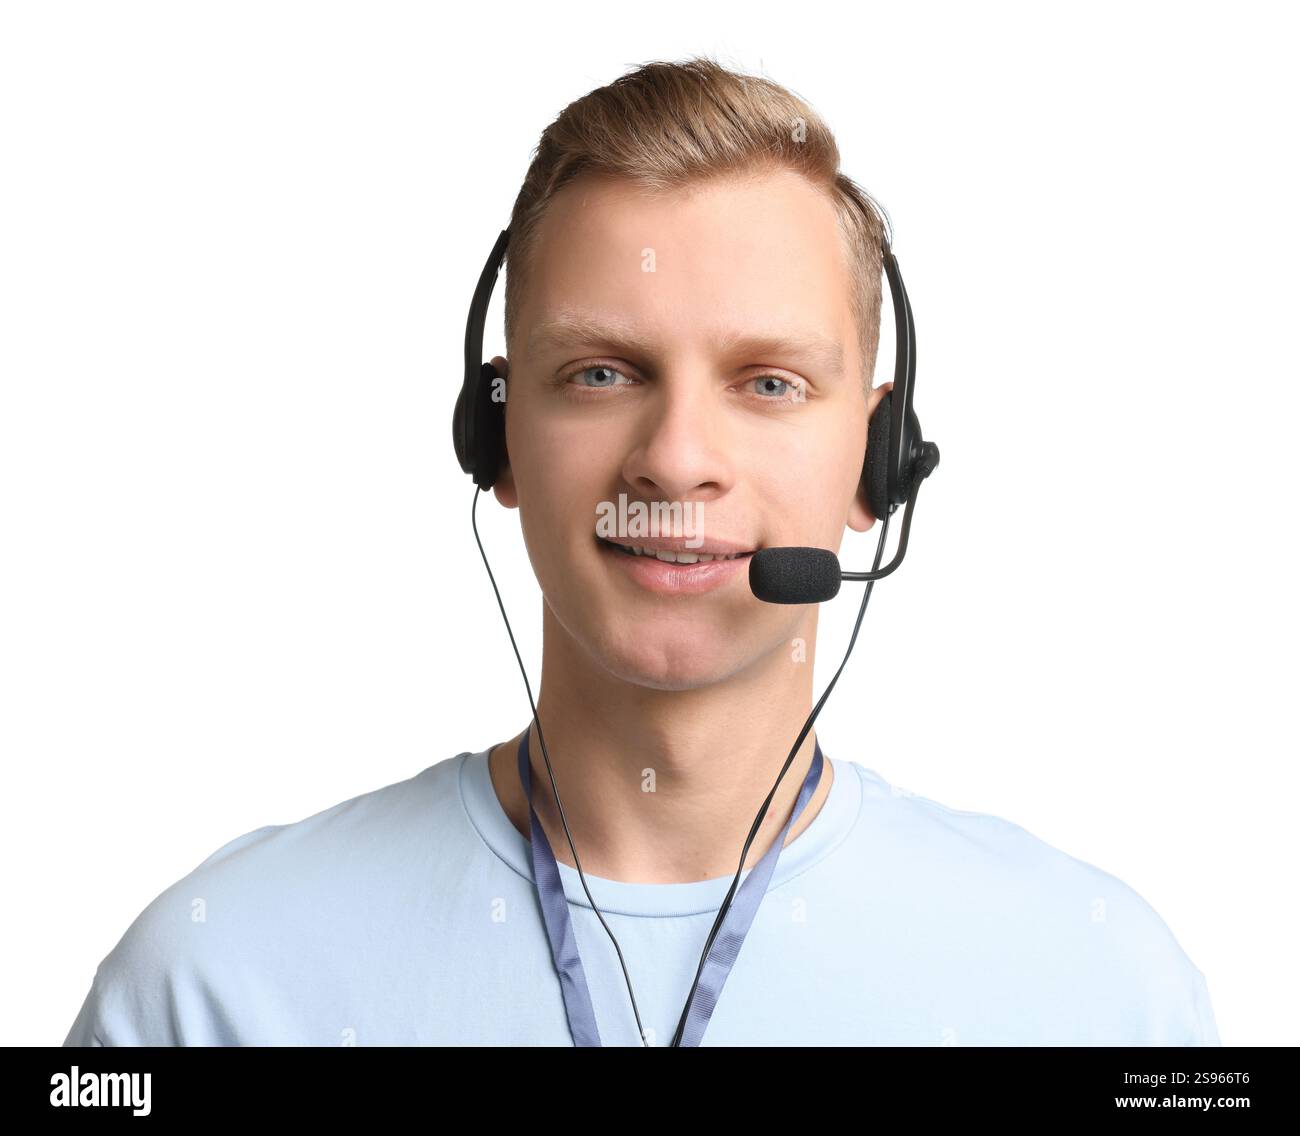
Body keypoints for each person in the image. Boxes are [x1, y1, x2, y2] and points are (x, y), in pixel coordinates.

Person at [63, 56, 1220, 1047]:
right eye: (601, 373)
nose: (675, 459)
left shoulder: (1102, 990)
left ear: (877, 458)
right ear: (497, 436)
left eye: (767, 382)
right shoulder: (213, 984)